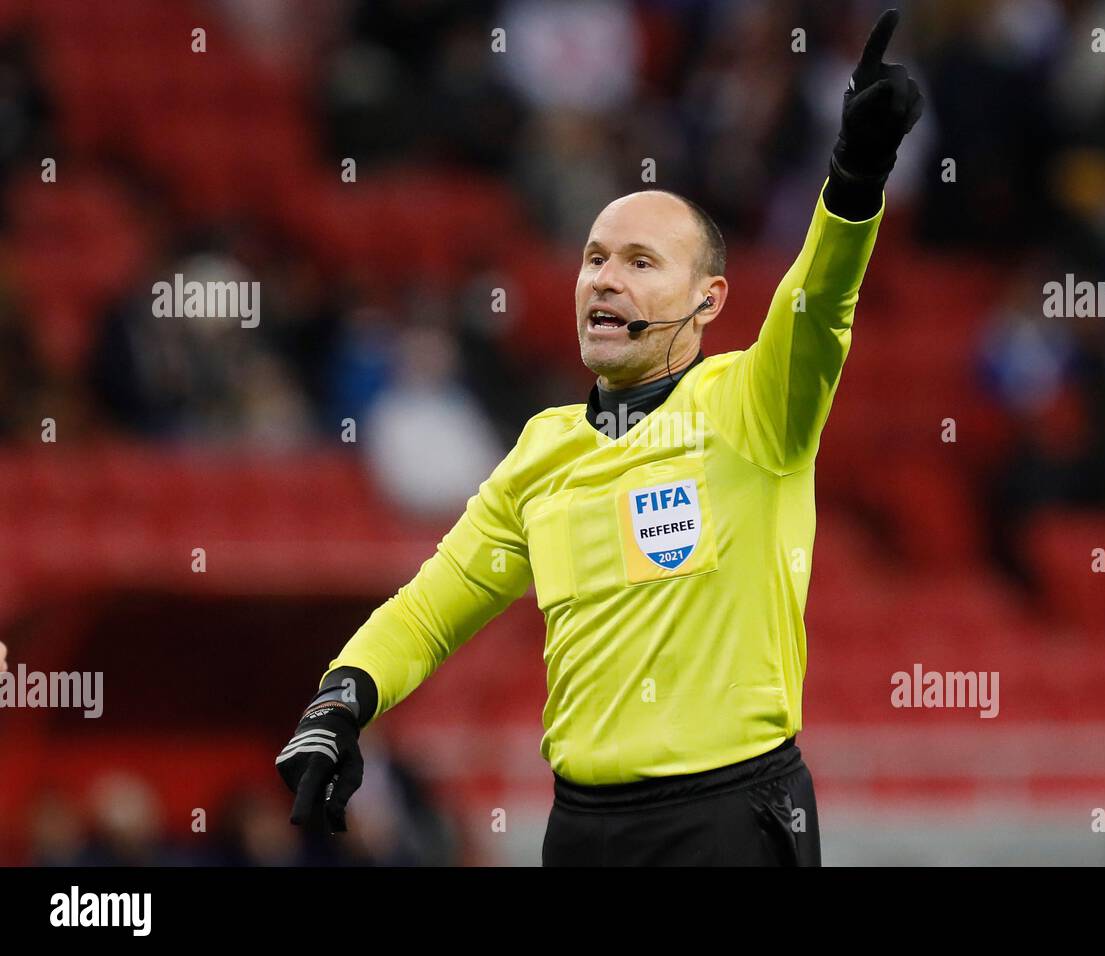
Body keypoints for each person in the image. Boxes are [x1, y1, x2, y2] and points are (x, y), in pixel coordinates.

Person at [277, 9, 922, 866]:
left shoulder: (757, 405)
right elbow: (431, 609)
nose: (605, 280)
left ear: (709, 302)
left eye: (641, 263)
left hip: (728, 819)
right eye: (594, 258)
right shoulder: (544, 451)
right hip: (582, 833)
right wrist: (340, 700)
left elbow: (821, 302)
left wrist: (854, 176)